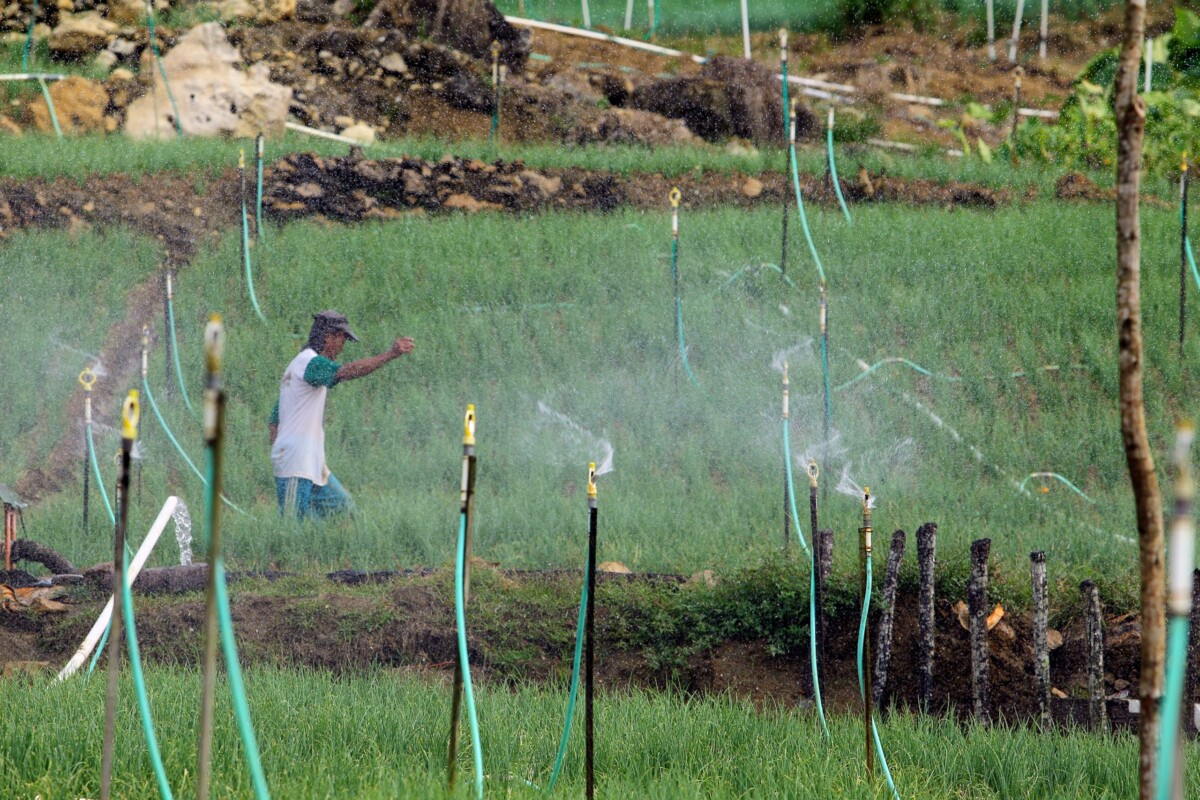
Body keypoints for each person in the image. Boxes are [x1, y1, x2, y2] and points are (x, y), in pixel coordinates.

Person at [269, 310, 414, 519]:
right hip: (296, 465)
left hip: (311, 464)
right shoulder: (310, 362)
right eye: (342, 340)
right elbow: (345, 371)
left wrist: (280, 450)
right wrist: (390, 354)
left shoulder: (298, 368)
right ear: (330, 337)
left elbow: (274, 419)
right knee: (291, 529)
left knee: (344, 509)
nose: (342, 347)